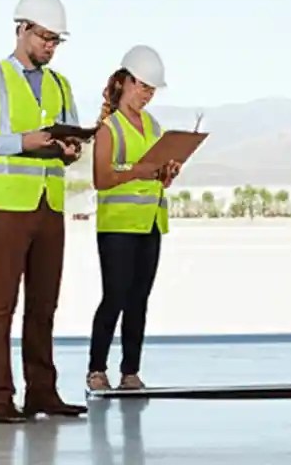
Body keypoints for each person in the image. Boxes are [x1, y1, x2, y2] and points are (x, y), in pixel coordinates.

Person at [0, 0, 89, 423]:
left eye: (56, 40)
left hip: (50, 206)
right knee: (2, 306)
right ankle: (0, 398)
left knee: (43, 305)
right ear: (22, 29)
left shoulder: (60, 84)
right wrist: (22, 142)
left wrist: (70, 149)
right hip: (7, 208)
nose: (50, 47)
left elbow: (67, 138)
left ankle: (42, 393)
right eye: (45, 38)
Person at [86, 45, 182, 392]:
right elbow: (102, 178)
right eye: (143, 86)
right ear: (125, 81)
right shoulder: (109, 128)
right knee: (115, 298)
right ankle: (97, 370)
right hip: (117, 227)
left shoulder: (154, 126)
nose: (147, 95)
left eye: (152, 89)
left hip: (150, 224)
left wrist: (166, 173)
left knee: (139, 301)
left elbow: (156, 176)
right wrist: (140, 170)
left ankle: (130, 372)